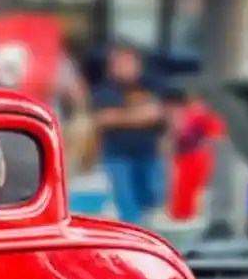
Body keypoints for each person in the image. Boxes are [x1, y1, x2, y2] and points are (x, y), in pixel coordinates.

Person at [92, 43, 167, 225]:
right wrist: (141, 115)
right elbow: (105, 119)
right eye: (119, 63)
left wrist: (123, 116)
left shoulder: (151, 86)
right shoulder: (105, 90)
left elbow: (159, 113)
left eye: (129, 62)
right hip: (118, 158)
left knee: (153, 206)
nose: (124, 67)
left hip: (149, 155)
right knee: (127, 209)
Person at [164, 88, 225, 221]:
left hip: (198, 158)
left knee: (194, 193)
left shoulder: (205, 118)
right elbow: (174, 136)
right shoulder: (185, 116)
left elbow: (217, 134)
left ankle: (190, 218)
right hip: (182, 158)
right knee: (180, 192)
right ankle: (181, 217)